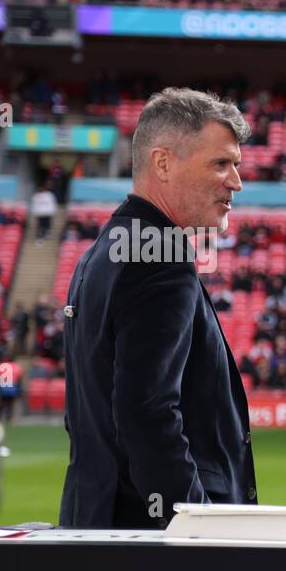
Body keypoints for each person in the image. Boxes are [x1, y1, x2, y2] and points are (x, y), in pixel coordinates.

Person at [59, 88, 256, 528]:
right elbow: (148, 416)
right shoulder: (161, 255)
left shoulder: (104, 249)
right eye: (220, 164)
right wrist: (199, 527)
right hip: (151, 547)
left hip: (95, 521)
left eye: (236, 166)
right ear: (163, 163)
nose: (236, 181)